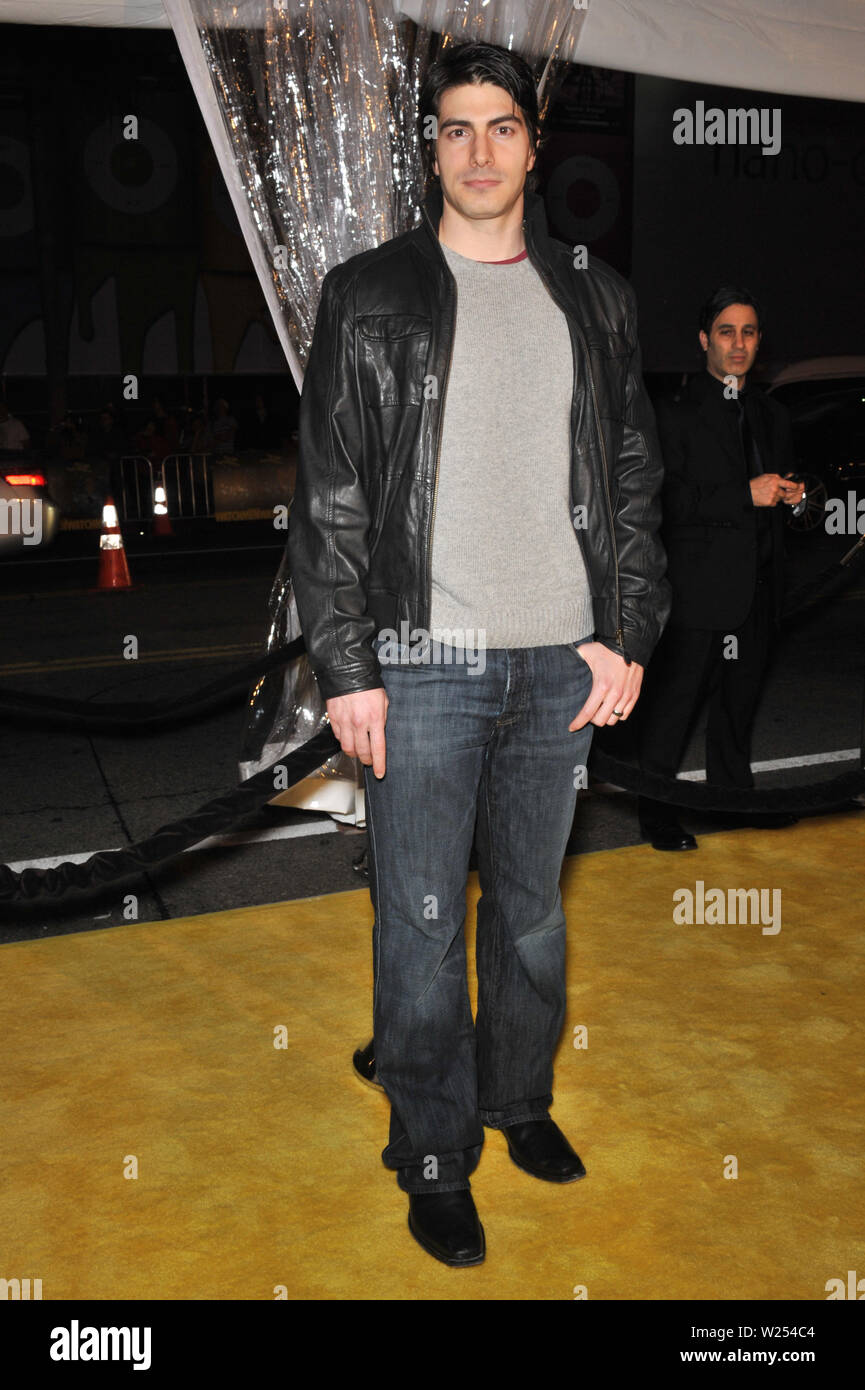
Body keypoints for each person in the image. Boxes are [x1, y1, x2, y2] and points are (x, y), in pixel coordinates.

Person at [288, 42, 669, 1267]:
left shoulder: (593, 294)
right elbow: (333, 496)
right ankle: (435, 1151)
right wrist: (346, 667)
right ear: (432, 149)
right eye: (455, 130)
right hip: (424, 660)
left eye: (500, 127)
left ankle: (517, 1103)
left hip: (564, 665)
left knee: (528, 924)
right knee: (415, 922)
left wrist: (630, 631)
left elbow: (629, 484)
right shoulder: (370, 292)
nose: (480, 152)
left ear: (531, 145)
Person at [635, 288, 804, 851]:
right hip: (697, 590)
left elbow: (782, 495)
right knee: (674, 708)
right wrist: (743, 495)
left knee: (739, 706)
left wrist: (801, 498)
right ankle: (657, 813)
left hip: (759, 586)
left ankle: (736, 800)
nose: (739, 343)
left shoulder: (773, 414)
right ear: (706, 341)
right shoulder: (675, 415)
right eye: (727, 331)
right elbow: (664, 503)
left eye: (750, 332)